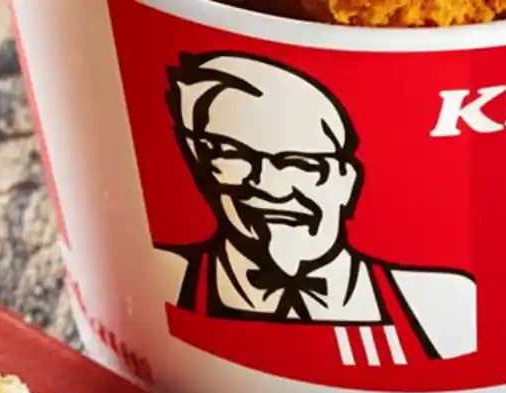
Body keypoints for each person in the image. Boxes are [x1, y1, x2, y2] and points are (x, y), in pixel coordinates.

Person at [156, 52, 477, 366]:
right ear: (201, 169)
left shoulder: (436, 299)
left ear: (346, 180)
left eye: (301, 163)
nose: (271, 187)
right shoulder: (164, 274)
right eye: (235, 157)